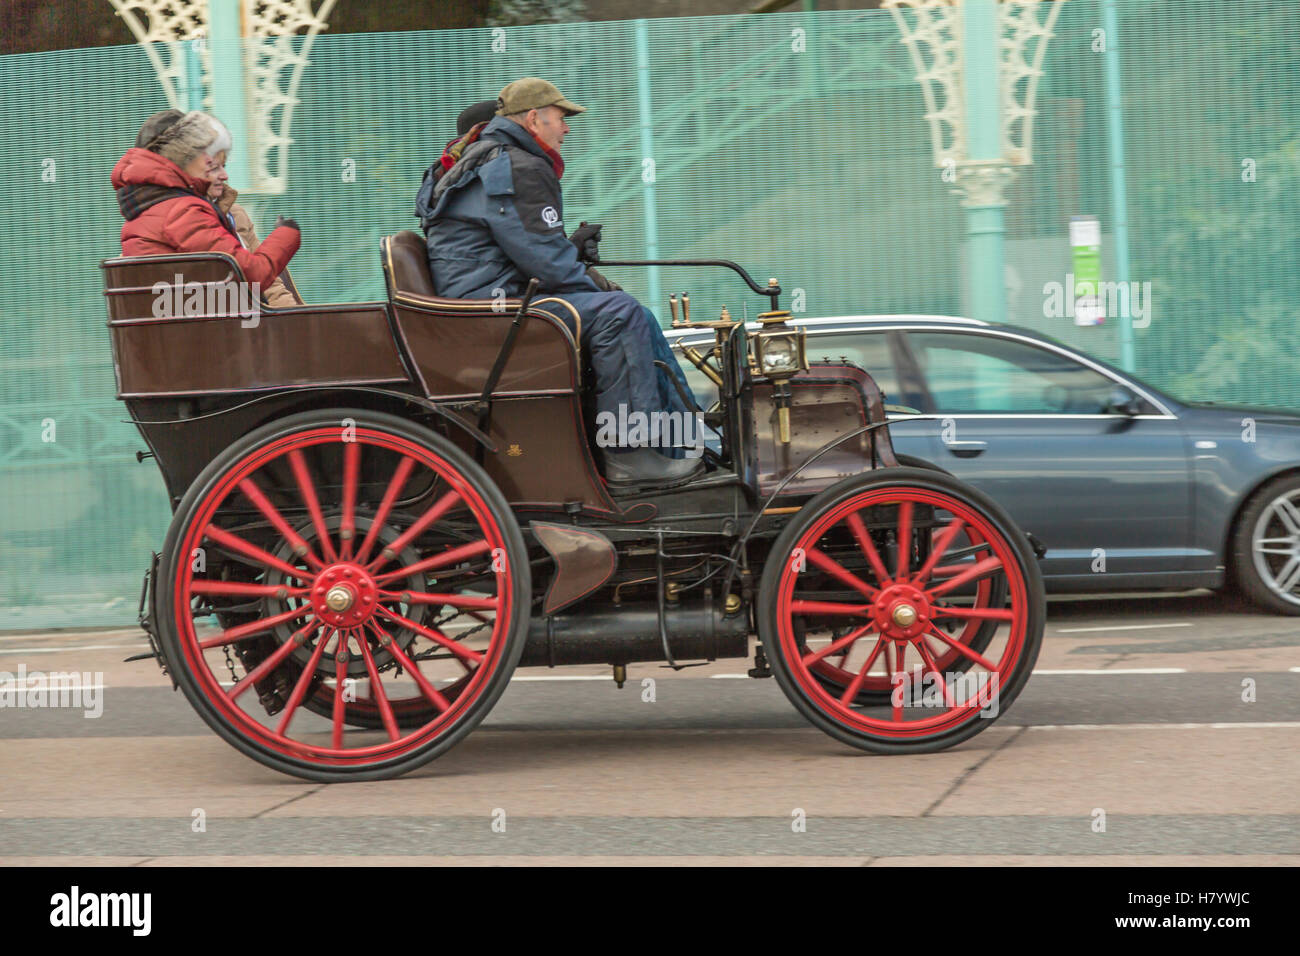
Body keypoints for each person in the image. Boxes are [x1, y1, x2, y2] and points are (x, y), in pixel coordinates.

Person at [416, 79, 700, 491]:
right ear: (534, 119)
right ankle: (631, 452)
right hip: (489, 307)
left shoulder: (485, 157)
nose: (566, 128)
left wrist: (576, 263)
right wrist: (590, 279)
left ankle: (677, 443)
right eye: (561, 118)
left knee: (623, 307)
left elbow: (520, 244)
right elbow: (545, 261)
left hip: (482, 295)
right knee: (621, 314)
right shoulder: (518, 164)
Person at [111, 110, 300, 291]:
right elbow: (252, 276)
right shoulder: (183, 212)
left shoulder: (150, 210)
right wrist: (287, 234)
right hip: (206, 320)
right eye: (211, 165)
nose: (224, 175)